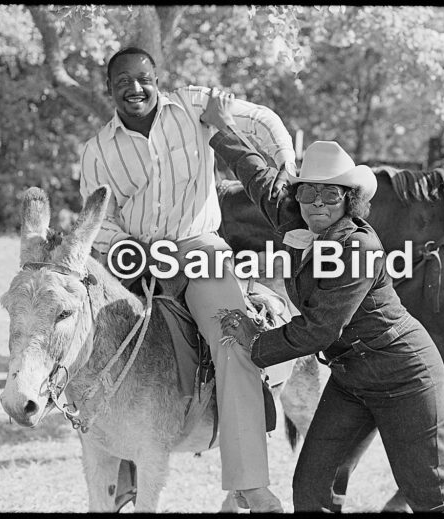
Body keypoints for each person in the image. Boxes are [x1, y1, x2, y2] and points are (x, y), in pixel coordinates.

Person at [203, 92, 444, 512]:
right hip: (351, 376)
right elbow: (257, 176)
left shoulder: (357, 245)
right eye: (309, 195)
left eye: (331, 196)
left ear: (349, 199)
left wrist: (255, 344)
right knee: (312, 491)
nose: (318, 205)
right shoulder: (297, 215)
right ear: (299, 196)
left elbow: (321, 328)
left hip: (404, 375)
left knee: (431, 495)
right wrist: (222, 127)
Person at [80, 46, 297, 512]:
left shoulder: (195, 105)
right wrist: (126, 249)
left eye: (143, 78)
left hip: (200, 249)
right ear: (110, 89)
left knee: (236, 340)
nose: (134, 88)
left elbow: (262, 118)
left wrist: (288, 166)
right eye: (123, 81)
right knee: (99, 346)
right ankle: (121, 480)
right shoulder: (98, 149)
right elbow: (102, 219)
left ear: (157, 78)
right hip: (135, 259)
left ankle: (248, 483)